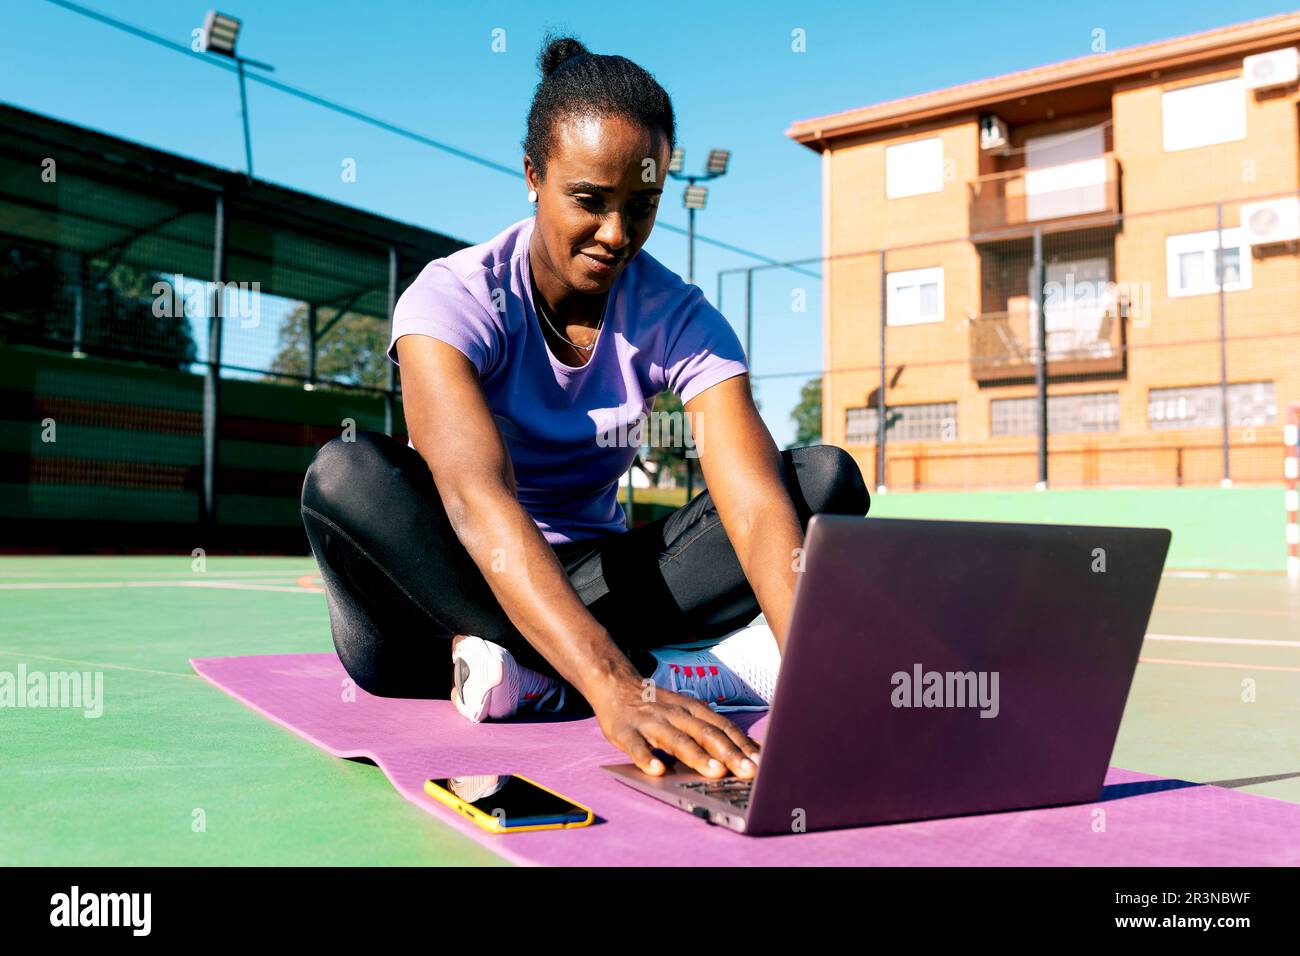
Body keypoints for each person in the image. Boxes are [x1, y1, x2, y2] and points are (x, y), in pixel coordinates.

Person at [300, 33, 870, 784]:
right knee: (346, 474)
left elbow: (757, 505)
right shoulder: (454, 296)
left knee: (822, 482)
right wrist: (615, 687)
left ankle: (535, 675)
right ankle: (618, 668)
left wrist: (818, 688)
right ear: (533, 176)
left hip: (593, 588)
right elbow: (477, 503)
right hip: (437, 607)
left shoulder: (677, 311)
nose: (616, 234)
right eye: (589, 202)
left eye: (642, 205)